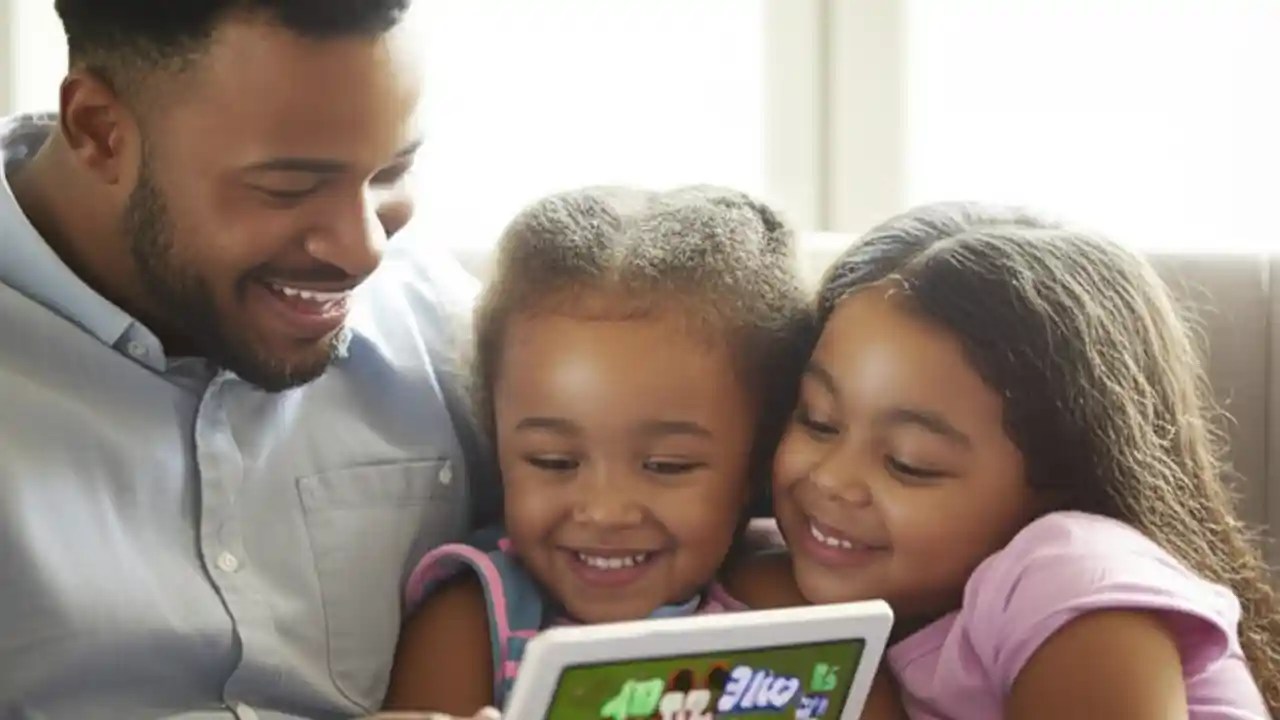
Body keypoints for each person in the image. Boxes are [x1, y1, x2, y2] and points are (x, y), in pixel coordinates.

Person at [0, 2, 499, 718]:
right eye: (288, 189)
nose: (364, 249)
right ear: (100, 133)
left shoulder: (445, 330)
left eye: (391, 171)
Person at [735, 202, 1279, 718]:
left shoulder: (1071, 579)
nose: (831, 479)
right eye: (818, 420)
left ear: (1060, 477)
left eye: (909, 463)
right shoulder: (769, 566)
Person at [381, 186, 813, 715]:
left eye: (665, 466)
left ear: (758, 461)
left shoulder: (784, 608)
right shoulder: (474, 624)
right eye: (553, 462)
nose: (605, 511)